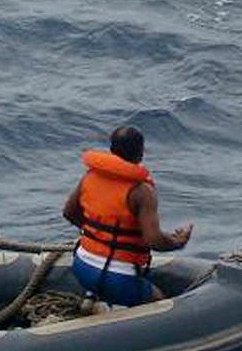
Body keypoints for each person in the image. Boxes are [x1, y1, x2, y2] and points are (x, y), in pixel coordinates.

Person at [62, 126, 191, 306]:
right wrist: (178, 242)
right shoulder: (141, 191)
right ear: (140, 153)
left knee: (110, 283)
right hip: (117, 278)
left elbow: (69, 212)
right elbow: (154, 240)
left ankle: (93, 298)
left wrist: (99, 236)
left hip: (81, 266)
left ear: (112, 150)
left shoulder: (90, 176)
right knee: (158, 303)